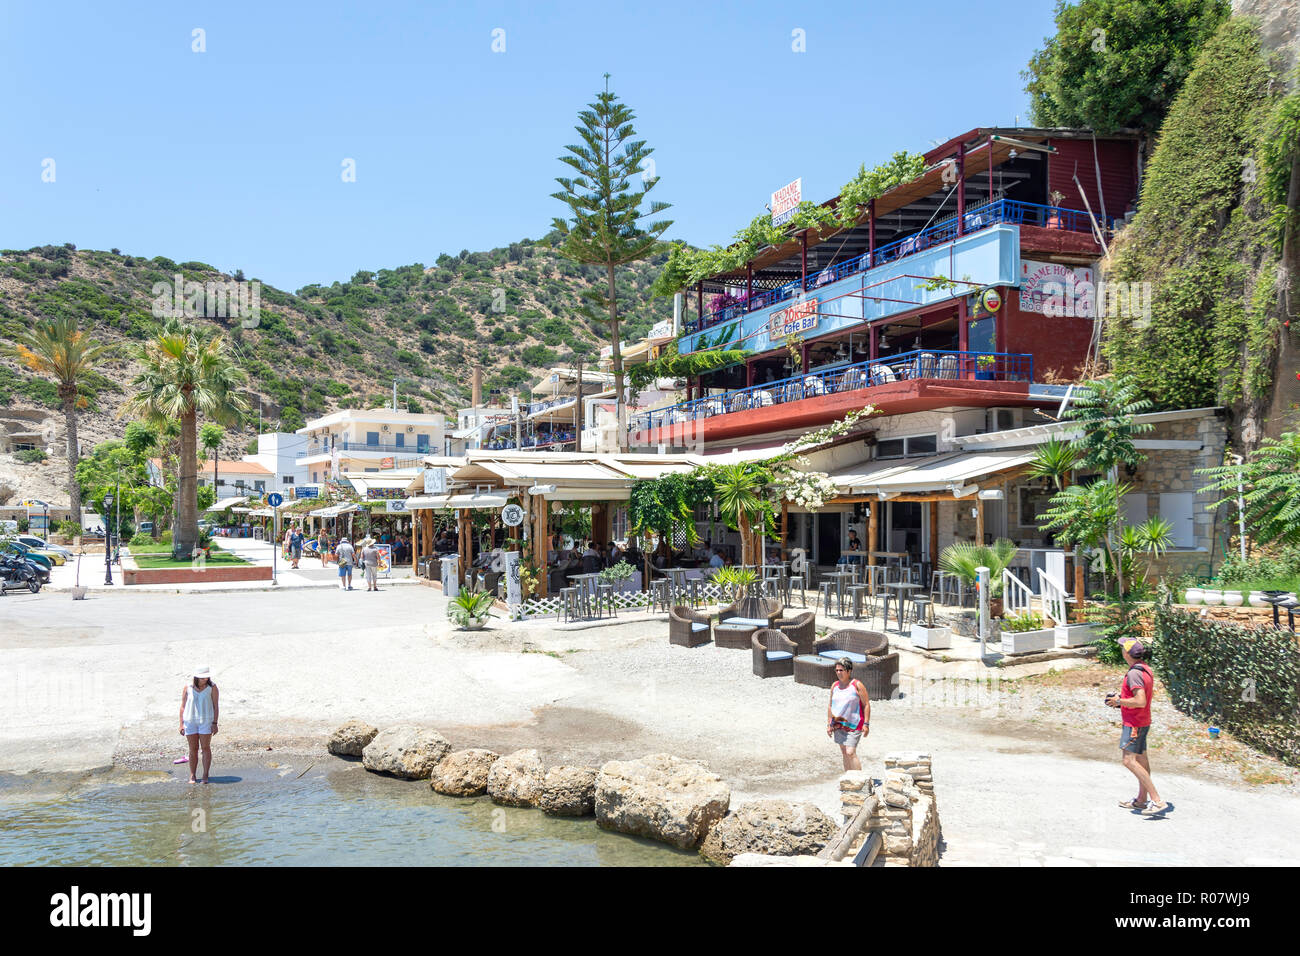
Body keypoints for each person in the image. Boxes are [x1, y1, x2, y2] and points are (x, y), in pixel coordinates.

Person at [1107, 638, 1168, 815]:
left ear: (1126, 653)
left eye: (1122, 649)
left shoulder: (1134, 673)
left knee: (1128, 760)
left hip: (1134, 722)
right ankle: (1141, 800)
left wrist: (1119, 700)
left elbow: (1140, 700)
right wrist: (1121, 701)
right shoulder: (1145, 668)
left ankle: (1156, 800)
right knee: (1141, 760)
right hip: (1142, 720)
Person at [826, 658, 869, 771]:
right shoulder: (834, 686)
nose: (839, 673)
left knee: (850, 752)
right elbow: (831, 705)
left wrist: (866, 724)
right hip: (838, 723)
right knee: (844, 752)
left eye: (842, 670)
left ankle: (860, 779)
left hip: (854, 724)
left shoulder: (857, 685)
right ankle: (848, 779)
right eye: (837, 670)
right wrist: (829, 724)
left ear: (849, 671)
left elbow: (866, 705)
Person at [179, 666, 219, 785]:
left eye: (207, 677)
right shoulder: (188, 687)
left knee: (205, 748)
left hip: (206, 721)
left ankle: (205, 774)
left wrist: (215, 723)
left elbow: (216, 706)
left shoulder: (212, 687)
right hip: (190, 721)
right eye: (202, 677)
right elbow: (183, 706)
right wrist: (181, 724)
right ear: (196, 677)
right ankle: (192, 774)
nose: (205, 679)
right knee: (193, 749)